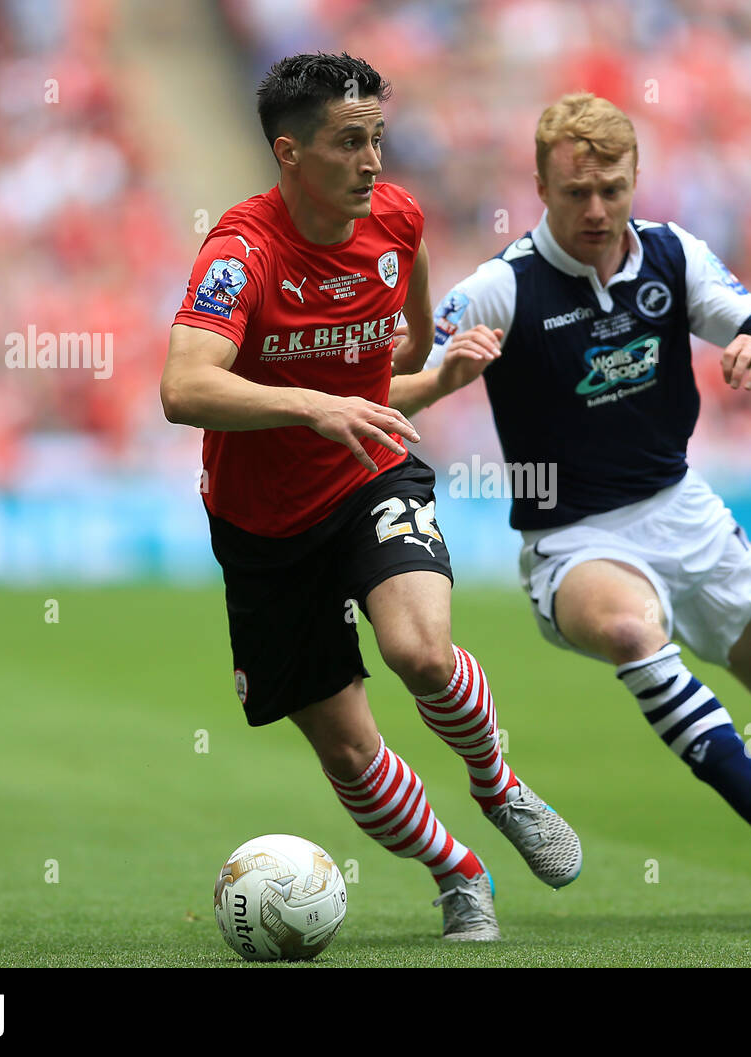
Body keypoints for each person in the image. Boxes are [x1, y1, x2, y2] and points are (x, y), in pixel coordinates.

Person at [390, 93, 751, 914]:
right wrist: (443, 378)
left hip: (684, 511)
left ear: (636, 177)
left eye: (612, 188)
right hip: (575, 538)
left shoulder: (675, 256)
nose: (597, 209)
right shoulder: (503, 286)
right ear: (540, 186)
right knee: (633, 630)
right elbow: (388, 387)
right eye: (576, 193)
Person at [160, 53, 582, 943]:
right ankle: (460, 874)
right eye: (350, 143)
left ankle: (498, 782)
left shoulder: (396, 220)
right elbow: (184, 387)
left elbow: (389, 367)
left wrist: (440, 374)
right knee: (349, 751)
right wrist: (312, 404)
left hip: (368, 479)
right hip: (262, 526)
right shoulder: (241, 252)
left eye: (378, 138)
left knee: (421, 652)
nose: (373, 162)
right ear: (289, 153)